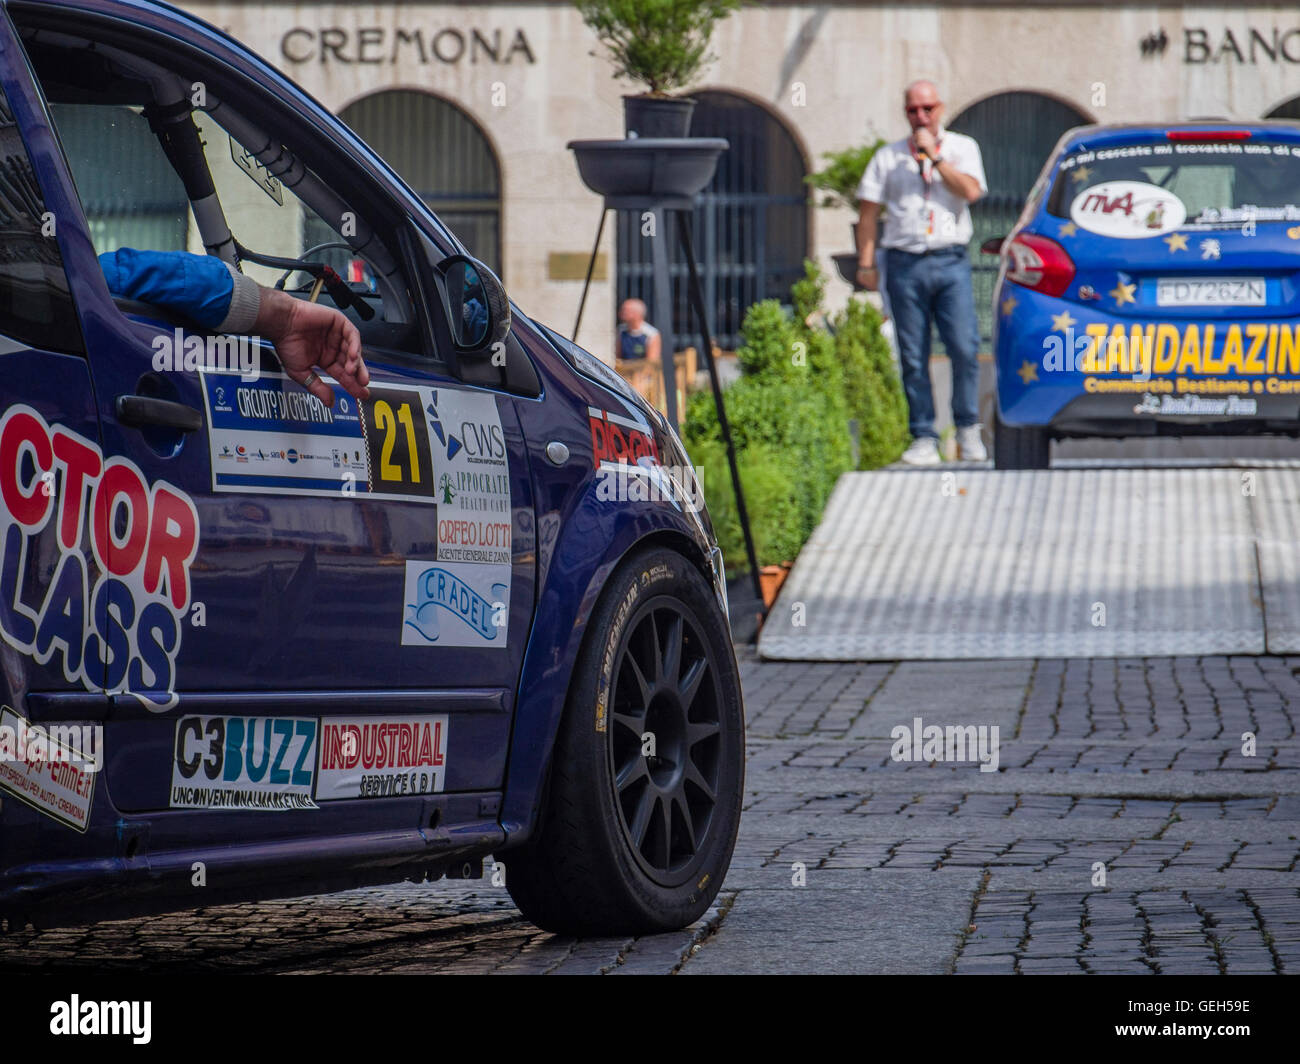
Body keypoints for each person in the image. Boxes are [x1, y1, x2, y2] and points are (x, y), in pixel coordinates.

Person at [855, 80, 988, 465]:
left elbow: (972, 192)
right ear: (905, 112)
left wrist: (936, 158)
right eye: (913, 110)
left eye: (928, 108)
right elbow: (867, 215)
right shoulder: (887, 157)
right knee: (913, 355)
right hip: (903, 262)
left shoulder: (963, 148)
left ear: (940, 108)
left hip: (950, 260)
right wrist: (866, 263)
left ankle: (967, 430)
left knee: (964, 347)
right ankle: (924, 436)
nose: (921, 116)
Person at [99, 247, 370, 406]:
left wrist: (283, 319)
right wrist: (281, 315)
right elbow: (117, 275)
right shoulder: (64, 278)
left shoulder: (62, 275)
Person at [616, 298, 661, 362]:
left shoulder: (651, 334)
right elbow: (617, 358)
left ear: (637, 313)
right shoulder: (620, 330)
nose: (621, 312)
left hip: (643, 370)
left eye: (626, 310)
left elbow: (651, 362)